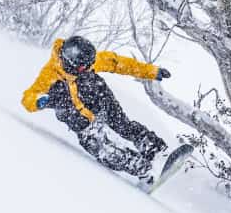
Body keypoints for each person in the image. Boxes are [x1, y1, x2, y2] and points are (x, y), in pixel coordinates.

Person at [21, 36, 172, 185]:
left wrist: (151, 71)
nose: (87, 68)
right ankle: (140, 168)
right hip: (80, 119)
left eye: (89, 65)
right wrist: (40, 101)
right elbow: (28, 97)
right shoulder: (50, 75)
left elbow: (120, 63)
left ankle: (156, 151)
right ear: (71, 63)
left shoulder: (89, 62)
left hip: (99, 99)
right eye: (83, 67)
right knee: (99, 147)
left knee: (122, 124)